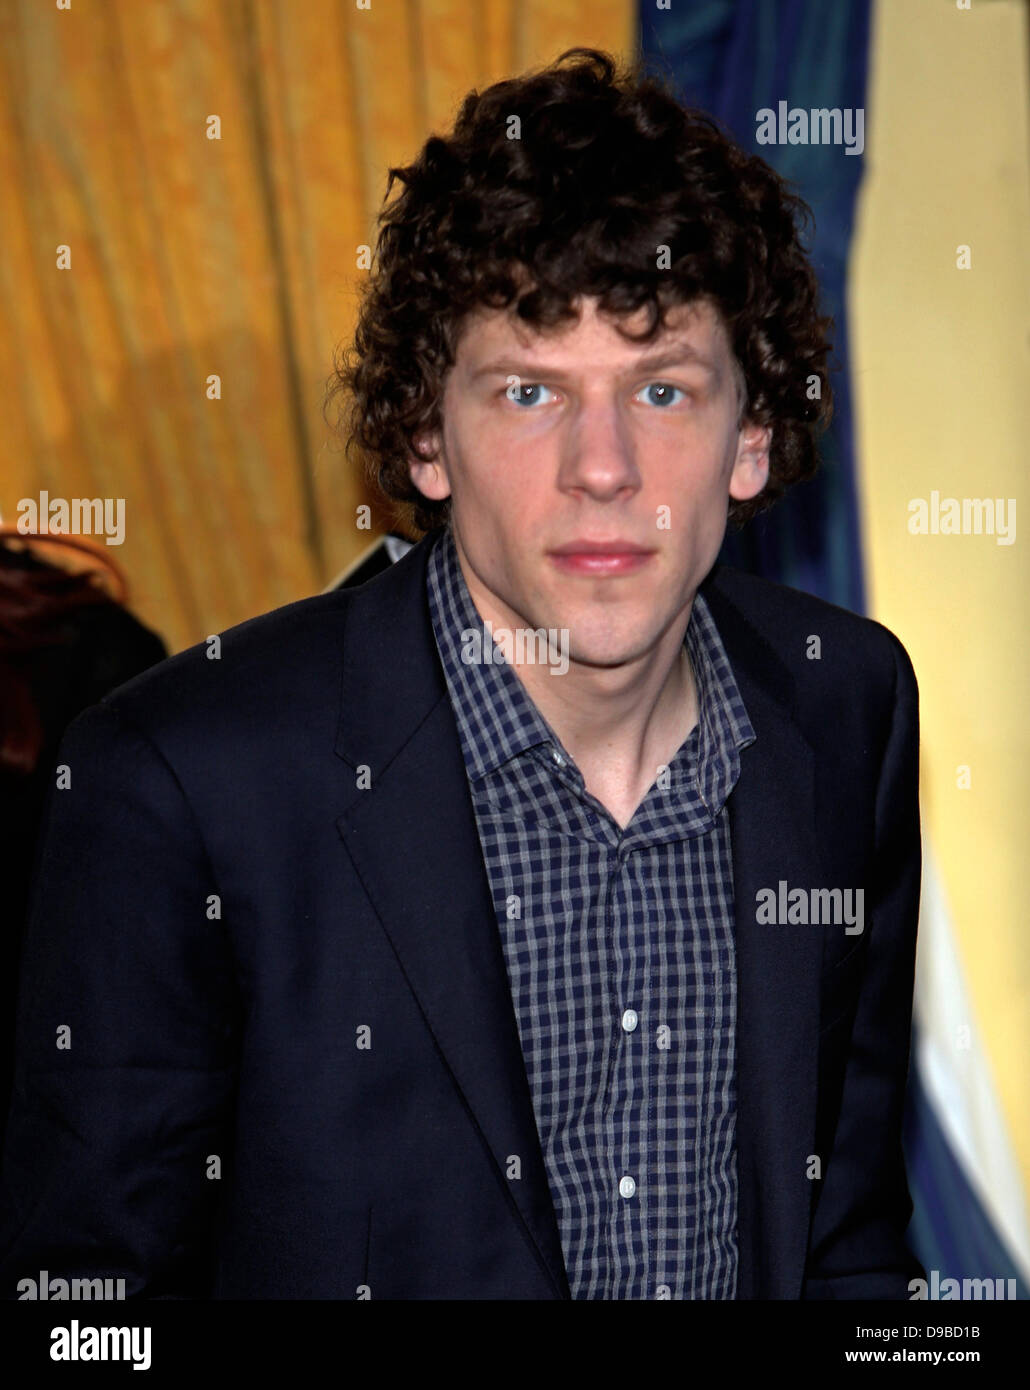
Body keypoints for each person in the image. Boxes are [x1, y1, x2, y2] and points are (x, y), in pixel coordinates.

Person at [0, 48, 923, 1300]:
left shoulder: (845, 705)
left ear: (749, 438)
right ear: (427, 439)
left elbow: (848, 1239)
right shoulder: (178, 784)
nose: (603, 467)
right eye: (529, 392)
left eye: (662, 388)